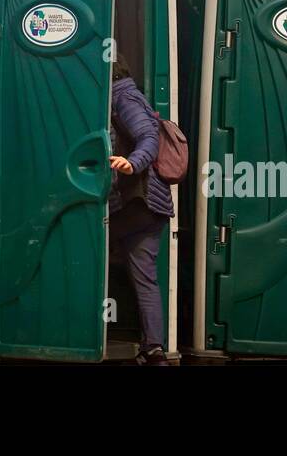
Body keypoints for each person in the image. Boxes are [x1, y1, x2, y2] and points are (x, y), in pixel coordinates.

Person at [108, 53, 175, 365]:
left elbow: (148, 138)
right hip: (147, 206)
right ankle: (153, 349)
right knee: (144, 278)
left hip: (138, 202)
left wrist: (131, 163)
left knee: (86, 253)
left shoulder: (124, 97)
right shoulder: (131, 95)